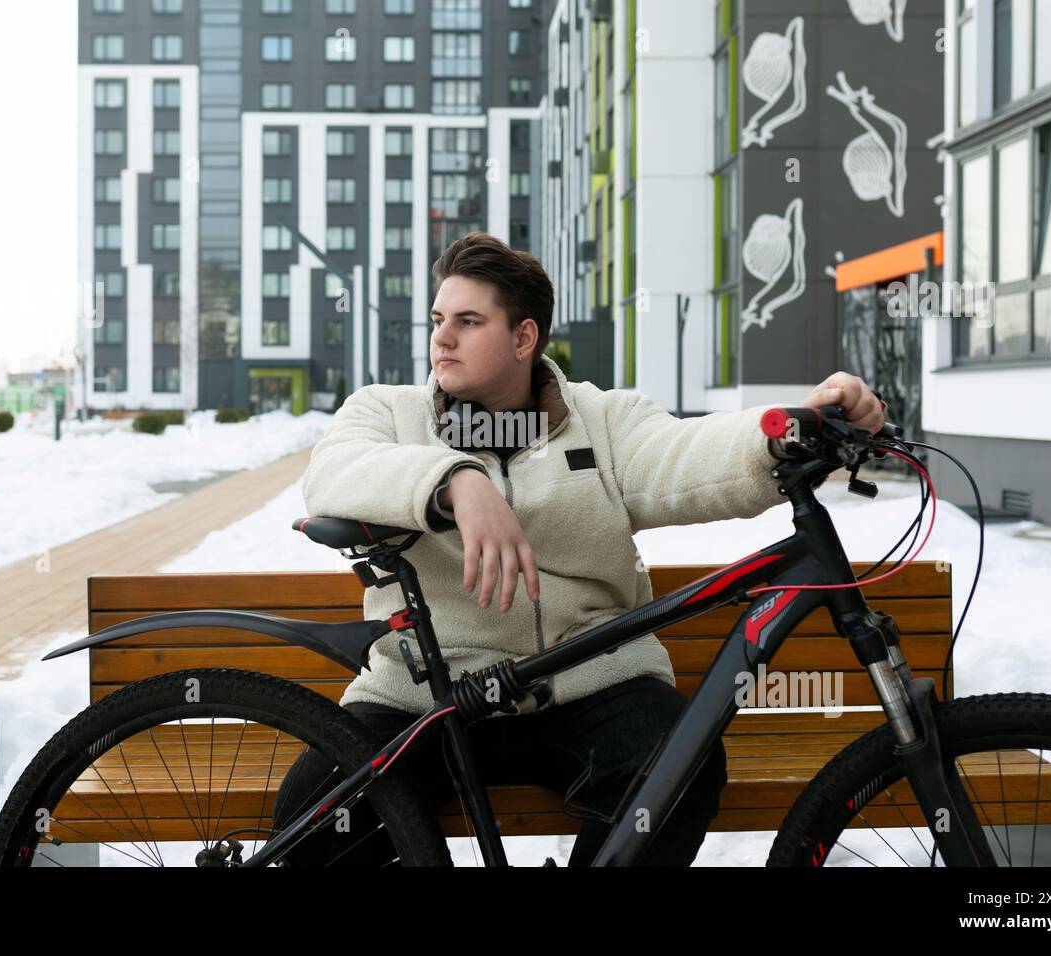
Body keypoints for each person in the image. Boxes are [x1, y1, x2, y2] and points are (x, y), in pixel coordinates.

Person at [271, 231, 886, 866]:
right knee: (315, 818)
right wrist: (455, 480)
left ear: (523, 337)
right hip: (424, 694)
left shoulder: (604, 421)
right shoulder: (388, 413)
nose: (442, 339)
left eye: (468, 321)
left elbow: (688, 454)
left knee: (677, 771)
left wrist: (787, 429)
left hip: (588, 685)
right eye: (438, 320)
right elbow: (334, 472)